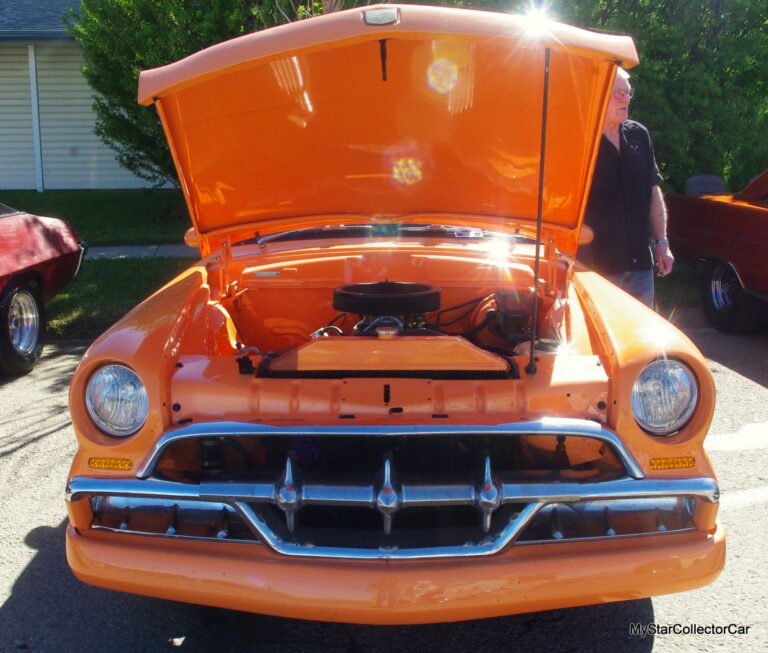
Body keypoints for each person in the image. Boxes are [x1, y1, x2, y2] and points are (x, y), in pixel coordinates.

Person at [579, 68, 674, 307]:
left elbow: (653, 190)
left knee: (642, 340)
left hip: (640, 264)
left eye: (627, 92)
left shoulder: (638, 135)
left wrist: (662, 243)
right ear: (597, 95)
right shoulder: (580, 140)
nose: (626, 99)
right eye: (618, 93)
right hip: (597, 268)